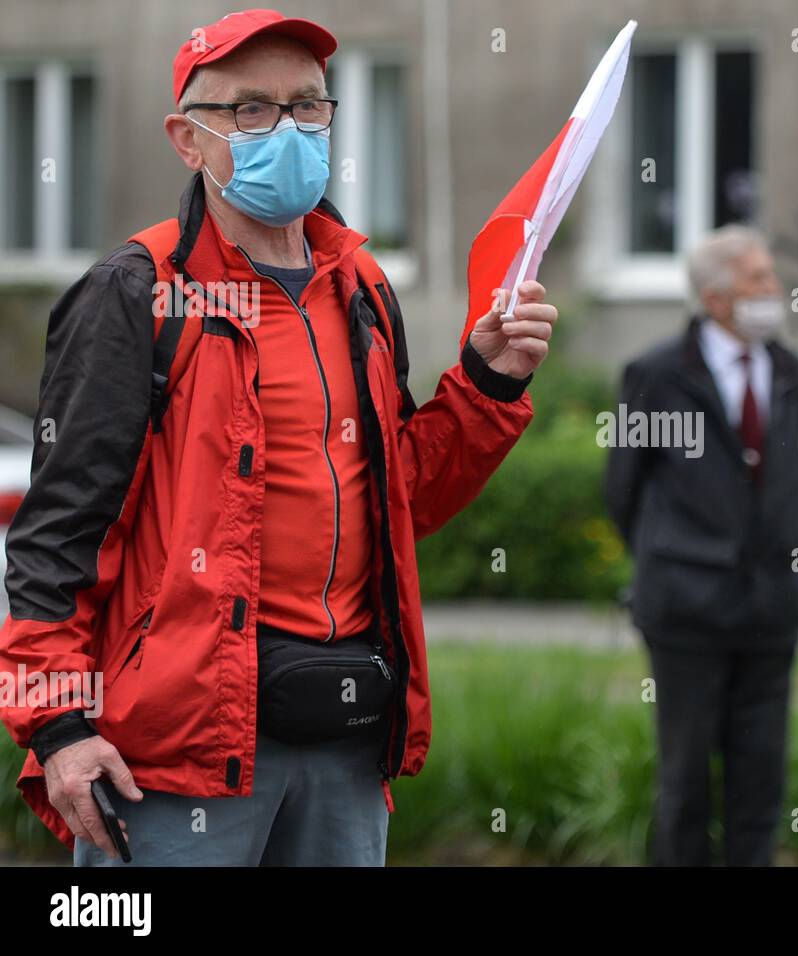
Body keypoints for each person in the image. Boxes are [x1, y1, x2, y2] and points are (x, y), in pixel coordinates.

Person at [0, 9, 558, 865]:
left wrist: (486, 384)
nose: (287, 130)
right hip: (175, 761)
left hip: (342, 733)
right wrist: (59, 726)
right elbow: (54, 537)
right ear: (188, 140)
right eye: (250, 111)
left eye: (307, 106)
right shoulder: (138, 292)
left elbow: (399, 499)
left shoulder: (360, 286)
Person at [605, 225, 798, 866]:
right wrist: (677, 559)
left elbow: (783, 474)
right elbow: (623, 490)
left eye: (771, 278)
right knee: (687, 779)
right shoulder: (658, 375)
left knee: (761, 775)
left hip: (771, 608)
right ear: (716, 297)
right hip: (688, 610)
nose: (773, 291)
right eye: (758, 280)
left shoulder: (787, 370)